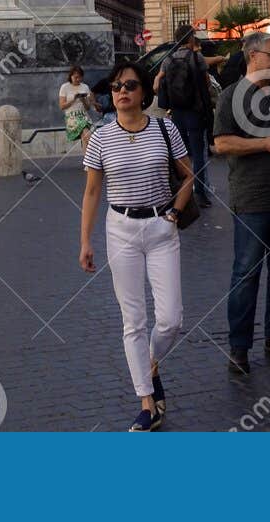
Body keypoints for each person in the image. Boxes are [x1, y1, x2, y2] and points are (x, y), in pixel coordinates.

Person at [80, 58, 193, 431]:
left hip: (162, 228)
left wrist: (175, 211)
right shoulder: (101, 137)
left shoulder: (165, 128)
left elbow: (189, 175)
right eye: (116, 87)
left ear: (144, 91)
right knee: (133, 320)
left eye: (129, 86)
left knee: (171, 319)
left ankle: (149, 361)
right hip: (121, 230)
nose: (122, 92)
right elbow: (93, 191)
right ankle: (147, 402)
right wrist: (85, 241)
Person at [214, 30, 270, 376]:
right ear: (253, 56)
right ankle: (239, 347)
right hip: (251, 197)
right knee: (246, 273)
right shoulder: (229, 97)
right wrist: (265, 144)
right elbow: (222, 144)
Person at [157, 26, 214, 207]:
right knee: (198, 153)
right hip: (195, 112)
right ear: (190, 40)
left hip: (177, 112)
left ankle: (182, 192)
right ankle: (201, 193)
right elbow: (206, 82)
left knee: (180, 154)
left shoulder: (168, 59)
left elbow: (156, 85)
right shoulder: (197, 58)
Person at [59, 64, 99, 153]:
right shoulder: (65, 87)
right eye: (76, 77)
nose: (78, 79)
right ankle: (91, 160)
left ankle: (87, 163)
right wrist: (73, 99)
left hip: (84, 115)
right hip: (72, 117)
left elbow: (88, 108)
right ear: (71, 76)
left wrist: (83, 100)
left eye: (80, 77)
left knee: (86, 138)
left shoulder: (85, 87)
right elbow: (62, 106)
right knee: (87, 134)